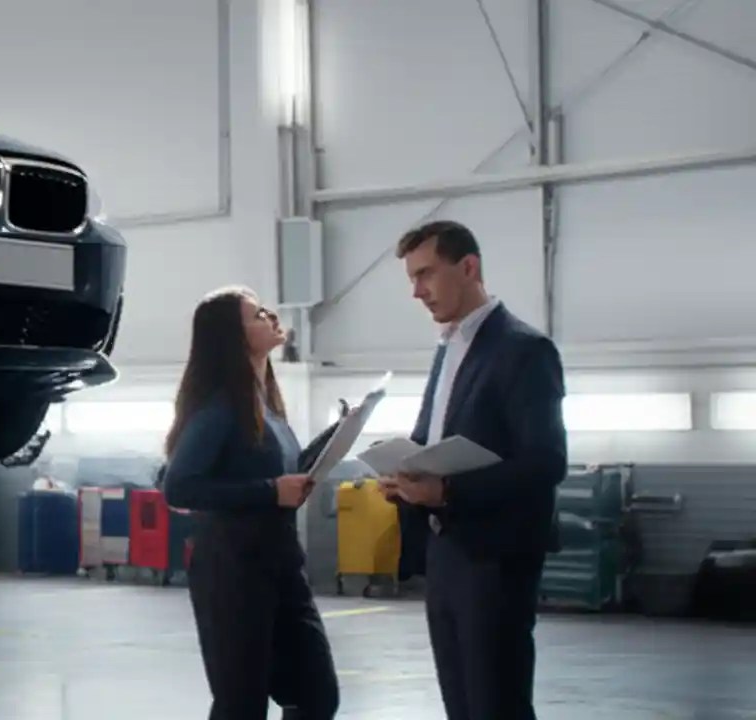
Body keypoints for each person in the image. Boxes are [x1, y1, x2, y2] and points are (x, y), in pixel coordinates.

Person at [380, 220, 567, 720]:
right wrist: (405, 476)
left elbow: (546, 461)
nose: (417, 292)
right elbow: (435, 440)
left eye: (425, 275)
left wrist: (446, 493)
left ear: (468, 267)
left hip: (496, 557)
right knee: (462, 705)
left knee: (494, 704)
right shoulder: (449, 350)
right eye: (411, 280)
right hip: (447, 551)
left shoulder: (524, 351)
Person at [161, 286, 340, 720]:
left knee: (315, 693)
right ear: (232, 337)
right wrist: (270, 491)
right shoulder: (220, 407)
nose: (271, 317)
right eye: (257, 314)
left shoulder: (266, 405)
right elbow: (179, 486)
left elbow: (272, 471)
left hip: (279, 563)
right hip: (233, 570)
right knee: (242, 704)